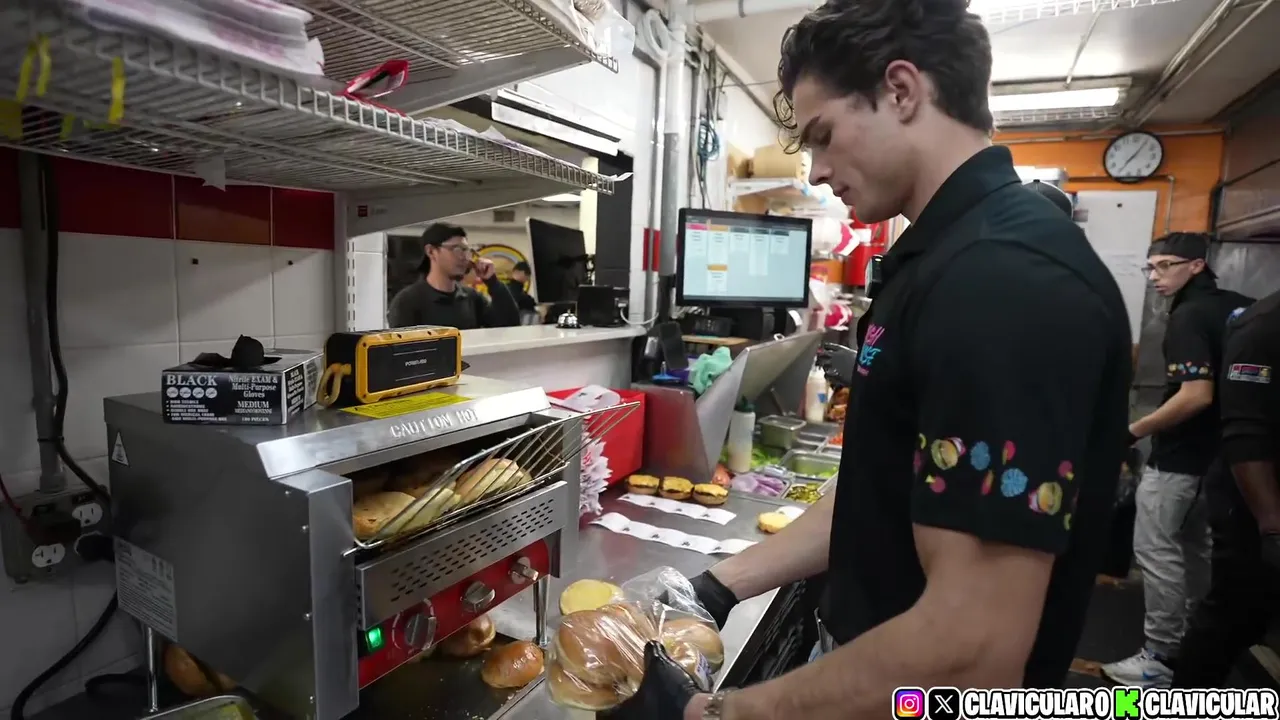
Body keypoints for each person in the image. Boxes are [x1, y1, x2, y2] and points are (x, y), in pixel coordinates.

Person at [610, 2, 1133, 719]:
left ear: (902, 91)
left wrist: (719, 713)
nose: (819, 171)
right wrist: (719, 585)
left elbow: (973, 646)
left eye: (823, 136)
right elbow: (882, 487)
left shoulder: (1003, 279)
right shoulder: (941, 260)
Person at [1102, 233, 1254, 687]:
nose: (1155, 276)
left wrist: (1132, 431)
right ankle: (1194, 639)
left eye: (1166, 265)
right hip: (1224, 456)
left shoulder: (1188, 315)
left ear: (1196, 265)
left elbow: (1195, 395)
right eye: (1151, 267)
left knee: (1156, 550)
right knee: (1193, 549)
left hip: (1183, 457)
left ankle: (1160, 657)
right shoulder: (1237, 307)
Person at [1172, 289, 1279, 687]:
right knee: (1232, 614)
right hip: (1251, 500)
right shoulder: (1262, 325)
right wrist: (1272, 527)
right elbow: (1246, 434)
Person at [387, 223, 519, 329]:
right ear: (431, 251)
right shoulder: (407, 302)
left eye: (466, 250)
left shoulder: (472, 299)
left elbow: (510, 325)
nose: (464, 257)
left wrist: (492, 282)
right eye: (457, 249)